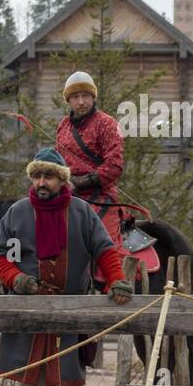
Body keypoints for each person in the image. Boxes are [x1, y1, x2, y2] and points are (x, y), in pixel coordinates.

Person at [0, 148, 131, 386]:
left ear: (61, 179)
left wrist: (117, 281)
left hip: (70, 314)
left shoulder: (81, 212)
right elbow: (2, 258)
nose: (41, 182)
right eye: (37, 175)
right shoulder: (17, 214)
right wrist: (17, 279)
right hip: (30, 315)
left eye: (48, 175)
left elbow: (104, 250)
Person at [55, 71, 126, 265]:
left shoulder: (107, 123)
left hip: (101, 198)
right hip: (66, 197)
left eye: (85, 96)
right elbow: (57, 161)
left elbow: (114, 166)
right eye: (75, 97)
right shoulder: (63, 126)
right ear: (69, 100)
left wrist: (78, 183)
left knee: (108, 249)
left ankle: (115, 287)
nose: (81, 102)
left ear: (93, 97)